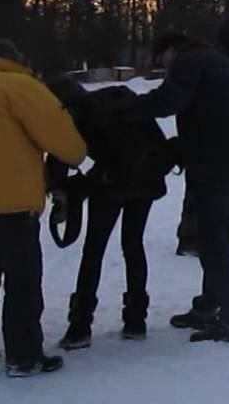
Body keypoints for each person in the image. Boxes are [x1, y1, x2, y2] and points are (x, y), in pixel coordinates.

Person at [120, 31, 229, 343]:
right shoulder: (222, 62)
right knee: (222, 239)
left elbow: (170, 100)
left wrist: (128, 108)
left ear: (170, 50)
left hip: (215, 165)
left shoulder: (190, 61)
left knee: (211, 241)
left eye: (162, 60)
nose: (165, 68)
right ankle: (209, 306)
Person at [43, 76, 177, 349]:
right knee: (133, 244)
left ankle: (80, 325)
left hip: (111, 184)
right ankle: (136, 320)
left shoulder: (76, 116)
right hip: (147, 180)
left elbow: (59, 161)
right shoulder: (121, 100)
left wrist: (62, 190)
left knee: (94, 249)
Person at [0, 39, 88, 377]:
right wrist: (75, 155)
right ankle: (23, 355)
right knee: (22, 280)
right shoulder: (21, 87)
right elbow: (65, 143)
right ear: (14, 59)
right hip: (12, 202)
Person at [174, 15, 229, 258]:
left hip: (218, 152)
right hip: (214, 152)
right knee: (202, 200)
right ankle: (191, 239)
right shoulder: (218, 65)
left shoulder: (227, 65)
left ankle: (199, 244)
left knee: (210, 205)